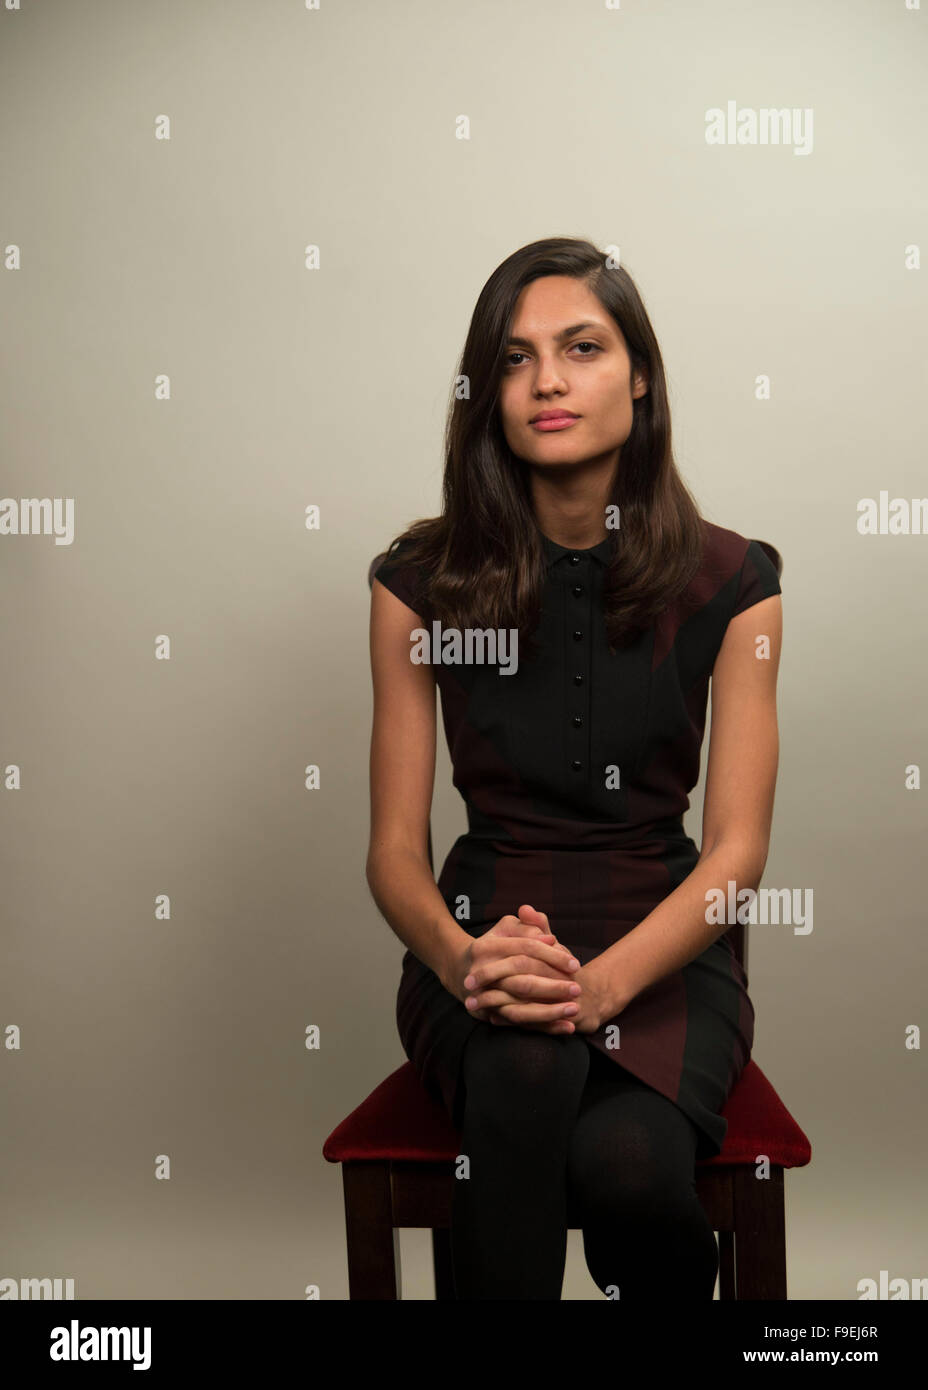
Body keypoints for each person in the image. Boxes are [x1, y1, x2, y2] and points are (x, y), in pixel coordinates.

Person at [366, 236, 782, 1300]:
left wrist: (599, 983)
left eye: (582, 348)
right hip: (480, 936)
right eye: (514, 358)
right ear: (487, 390)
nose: (547, 380)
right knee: (522, 1059)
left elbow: (736, 856)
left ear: (638, 374)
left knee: (631, 1168)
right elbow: (391, 856)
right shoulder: (418, 582)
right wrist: (465, 962)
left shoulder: (736, 583)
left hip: (665, 946)